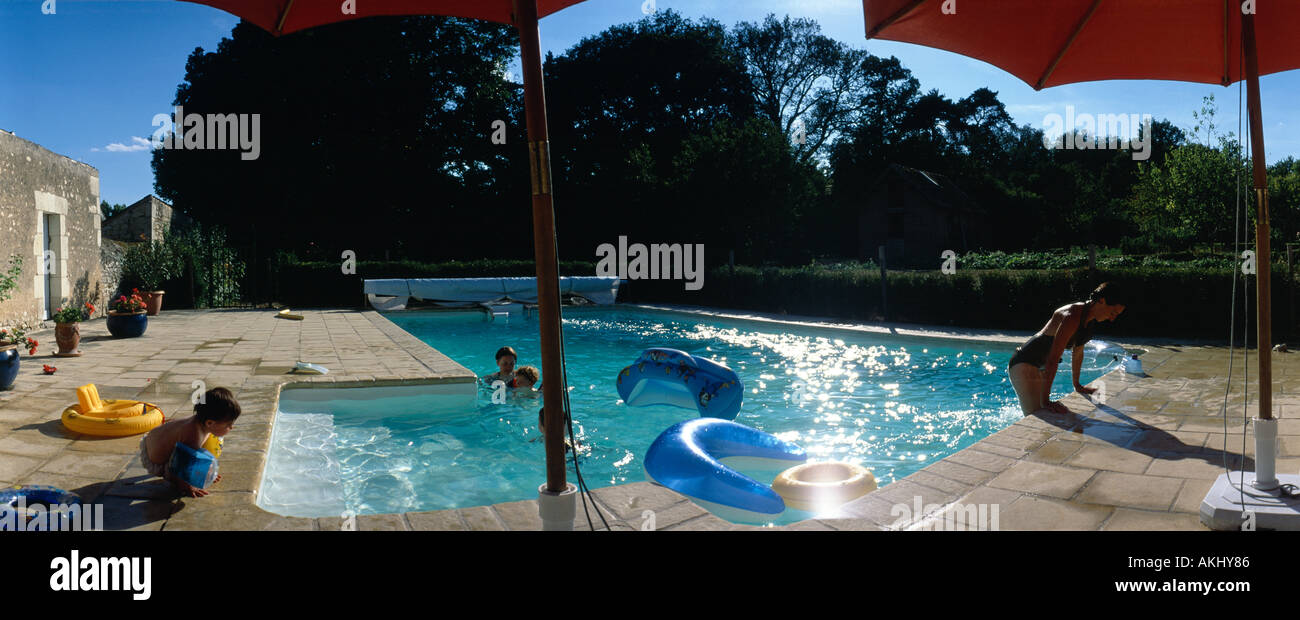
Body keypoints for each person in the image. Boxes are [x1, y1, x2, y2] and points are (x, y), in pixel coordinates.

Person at [1007, 282, 1127, 415]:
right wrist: (1046, 401)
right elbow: (1053, 359)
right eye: (1113, 312)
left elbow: (1078, 352)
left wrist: (1077, 385)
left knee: (1043, 414)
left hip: (1038, 366)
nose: (1112, 319)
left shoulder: (1089, 319)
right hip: (1024, 364)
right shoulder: (1073, 315)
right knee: (1035, 416)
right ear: (1102, 301)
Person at [139, 387, 241, 497]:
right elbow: (182, 466)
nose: (231, 427)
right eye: (228, 425)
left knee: (192, 455)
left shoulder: (200, 420)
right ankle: (170, 476)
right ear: (210, 423)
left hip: (150, 440)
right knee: (184, 468)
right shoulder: (193, 436)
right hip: (155, 462)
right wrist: (187, 486)